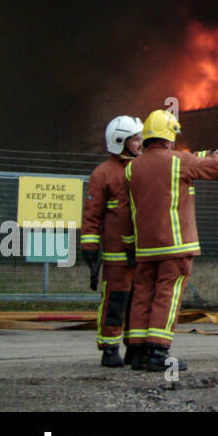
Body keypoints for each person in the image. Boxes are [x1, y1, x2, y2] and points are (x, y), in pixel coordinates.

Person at [121, 109, 218, 372]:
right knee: (167, 293)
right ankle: (158, 351)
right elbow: (211, 166)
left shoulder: (132, 168)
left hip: (145, 247)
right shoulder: (178, 161)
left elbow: (187, 160)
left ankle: (138, 351)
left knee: (143, 293)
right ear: (169, 136)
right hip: (175, 246)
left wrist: (130, 245)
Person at [79, 116, 143, 367]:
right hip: (117, 256)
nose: (140, 142)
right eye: (135, 138)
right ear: (120, 142)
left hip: (143, 251)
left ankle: (134, 347)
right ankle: (109, 347)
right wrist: (90, 248)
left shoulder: (143, 167)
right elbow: (92, 215)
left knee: (139, 302)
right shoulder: (103, 173)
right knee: (117, 300)